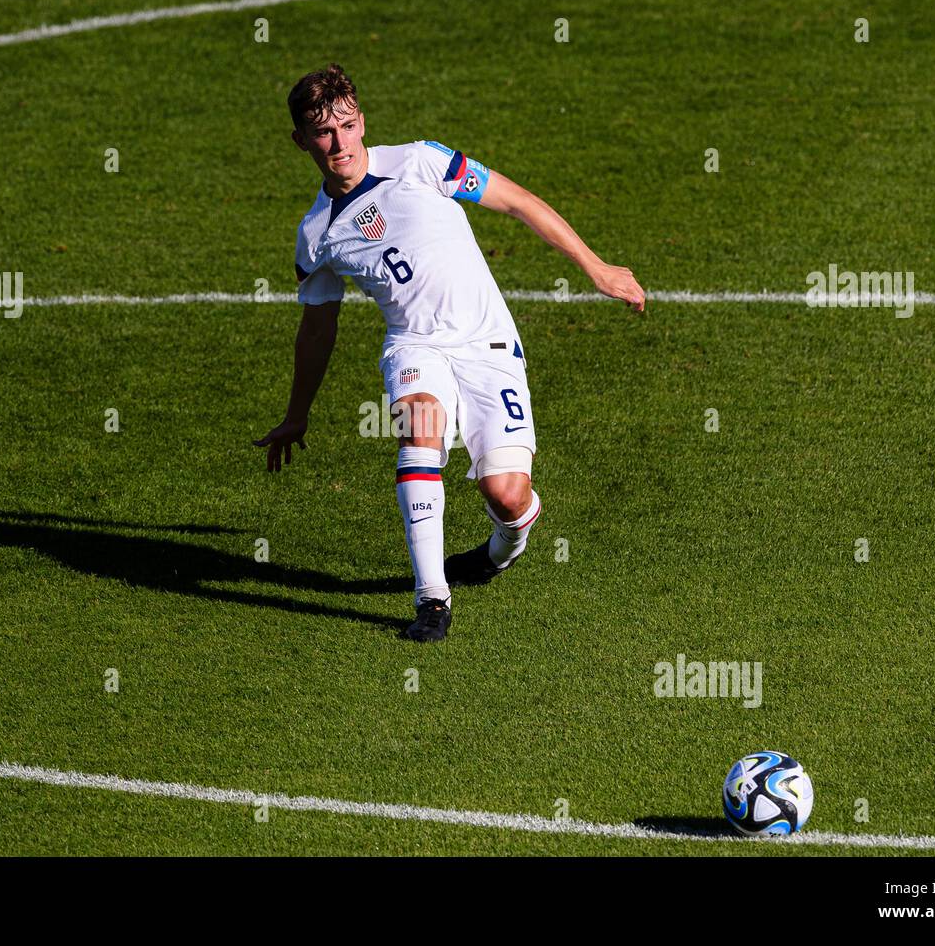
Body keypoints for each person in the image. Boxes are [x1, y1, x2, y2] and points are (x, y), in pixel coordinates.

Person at [255, 64, 645, 642]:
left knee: (506, 496)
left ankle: (501, 547)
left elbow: (518, 202)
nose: (338, 142)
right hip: (413, 345)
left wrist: (595, 266)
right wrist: (296, 414)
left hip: (488, 342)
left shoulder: (422, 161)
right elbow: (317, 331)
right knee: (421, 427)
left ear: (362, 122)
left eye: (346, 125)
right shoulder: (316, 235)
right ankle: (432, 599)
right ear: (300, 141)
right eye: (322, 132)